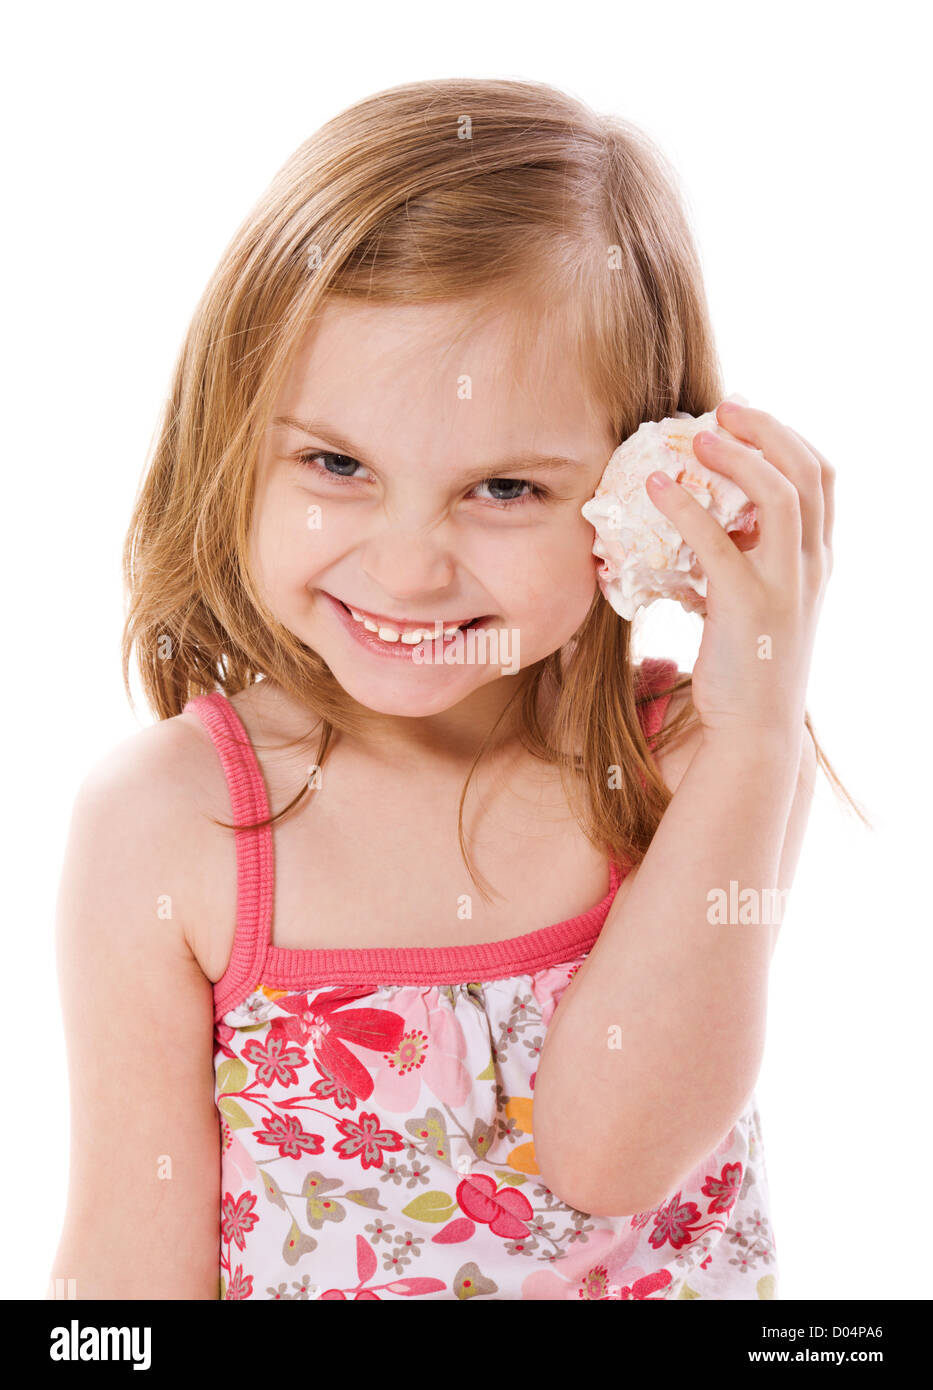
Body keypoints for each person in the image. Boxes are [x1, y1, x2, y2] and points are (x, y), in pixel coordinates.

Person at [48, 76, 855, 1301]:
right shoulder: (169, 825)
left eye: (505, 490)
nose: (409, 565)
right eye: (336, 463)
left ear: (646, 477)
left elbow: (610, 1154)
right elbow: (124, 1270)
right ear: (232, 440)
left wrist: (754, 731)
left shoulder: (696, 760)